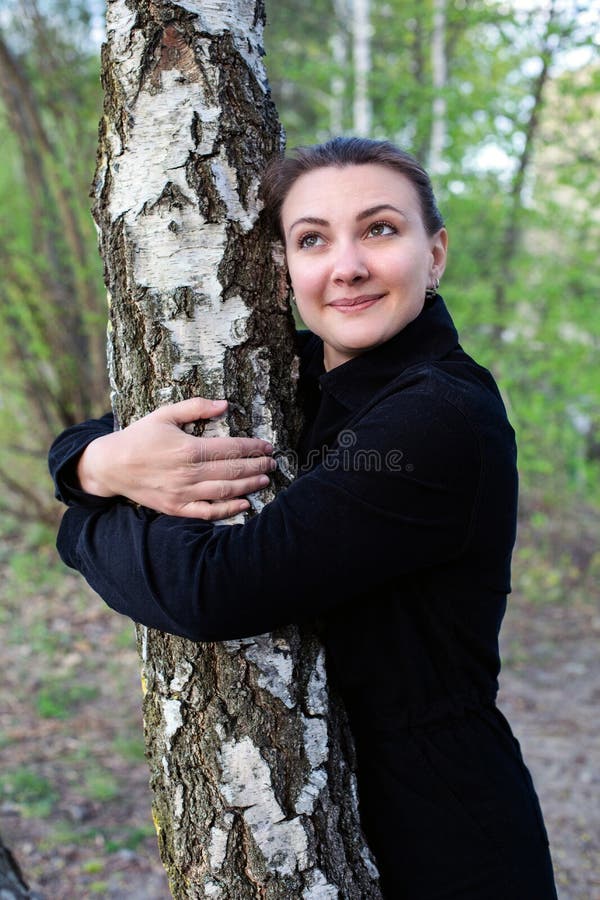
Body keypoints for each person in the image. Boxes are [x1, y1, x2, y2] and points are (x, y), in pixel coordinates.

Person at [48, 137, 558, 898]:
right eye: (312, 239)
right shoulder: (289, 372)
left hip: (441, 839)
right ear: (284, 268)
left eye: (380, 229)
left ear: (436, 252)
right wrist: (99, 467)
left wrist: (79, 522)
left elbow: (215, 589)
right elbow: (87, 436)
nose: (345, 265)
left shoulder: (437, 418)